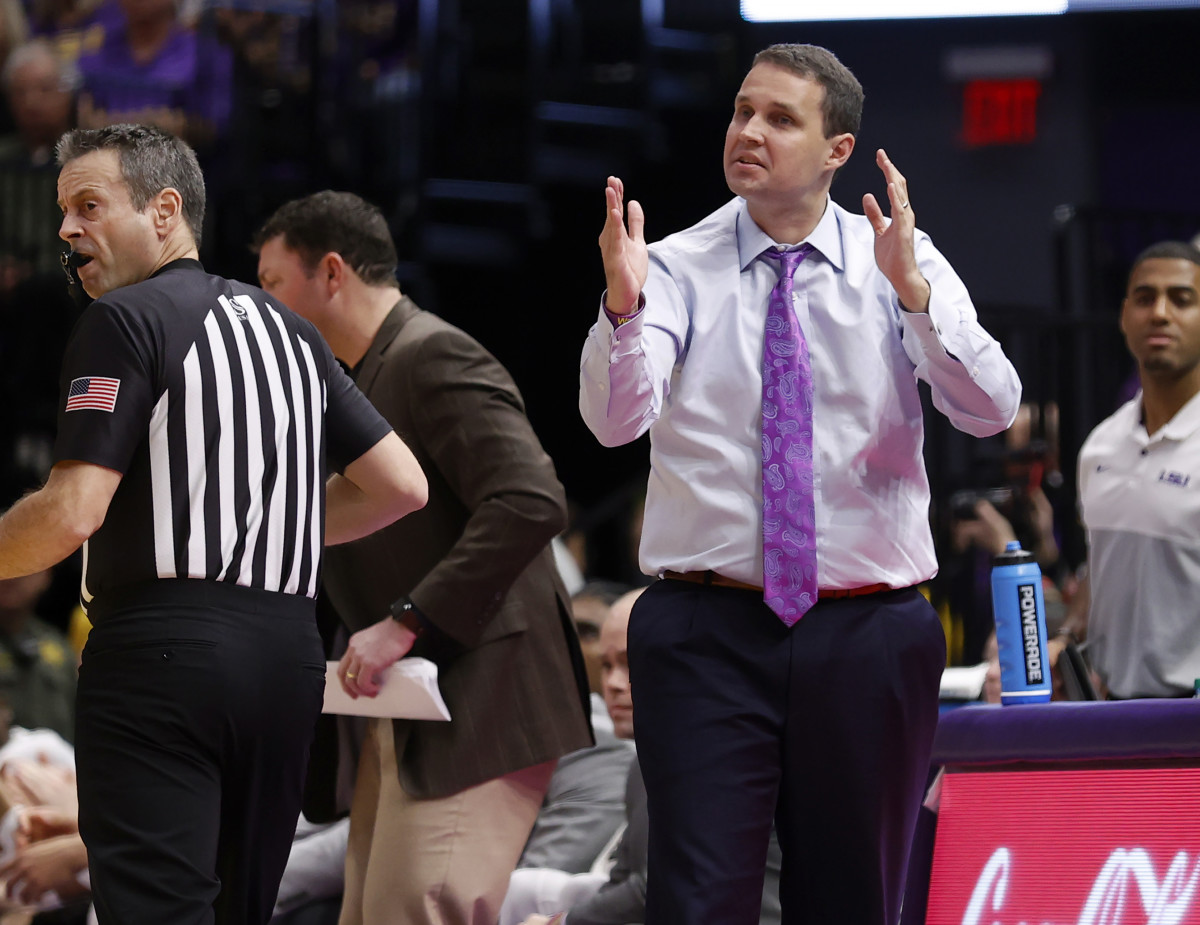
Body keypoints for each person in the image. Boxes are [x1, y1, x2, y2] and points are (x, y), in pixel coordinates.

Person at [579, 43, 1021, 924]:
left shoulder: (899, 257)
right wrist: (621, 310)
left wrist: (915, 297)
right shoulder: (672, 264)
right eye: (743, 111)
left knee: (851, 901)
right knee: (695, 904)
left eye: (780, 118)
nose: (749, 131)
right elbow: (614, 421)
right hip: (705, 631)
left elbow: (991, 408)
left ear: (837, 150)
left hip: (868, 631)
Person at [0, 123, 427, 925]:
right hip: (286, 662)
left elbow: (71, 512)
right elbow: (402, 485)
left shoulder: (122, 318)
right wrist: (268, 526)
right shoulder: (293, 333)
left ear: (165, 211)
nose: (65, 230)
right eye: (62, 211)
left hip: (160, 657)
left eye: (88, 206)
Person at [253, 191, 592, 925]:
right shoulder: (359, 377)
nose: (265, 307)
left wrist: (407, 621)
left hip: (485, 697)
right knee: (370, 914)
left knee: (415, 910)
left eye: (274, 283)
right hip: (410, 698)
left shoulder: (430, 353)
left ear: (332, 272)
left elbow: (531, 499)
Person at [1057, 241, 1200, 699]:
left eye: (1181, 299)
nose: (1159, 313)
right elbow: (1101, 569)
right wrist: (1067, 637)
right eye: (1144, 298)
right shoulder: (1100, 446)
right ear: (1124, 316)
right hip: (1112, 716)